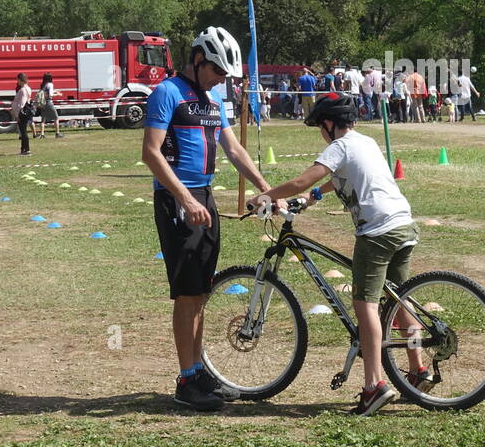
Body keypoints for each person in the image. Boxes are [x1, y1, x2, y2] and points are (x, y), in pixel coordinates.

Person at [255, 94, 426, 416]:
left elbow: (303, 179)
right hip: (403, 224)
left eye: (321, 127)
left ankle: (374, 386)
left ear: (330, 124)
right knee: (400, 302)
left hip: (377, 232)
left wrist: (265, 196)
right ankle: (418, 371)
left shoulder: (339, 146)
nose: (322, 133)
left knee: (366, 307)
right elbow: (344, 177)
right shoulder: (366, 142)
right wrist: (313, 197)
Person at [143, 26, 281, 413]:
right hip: (178, 201)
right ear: (199, 60)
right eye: (218, 72)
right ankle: (187, 380)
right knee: (186, 293)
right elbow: (151, 154)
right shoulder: (167, 93)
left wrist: (265, 187)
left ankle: (198, 370)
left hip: (203, 198)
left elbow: (233, 148)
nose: (222, 80)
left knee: (201, 290)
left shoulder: (214, 98)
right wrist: (184, 199)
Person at [12, 73, 34, 156]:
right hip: (25, 111)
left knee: (23, 132)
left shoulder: (23, 90)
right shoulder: (28, 88)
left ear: (20, 80)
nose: (17, 81)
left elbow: (21, 103)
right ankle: (23, 149)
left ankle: (27, 150)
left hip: (22, 112)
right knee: (23, 131)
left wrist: (17, 114)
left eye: (17, 79)